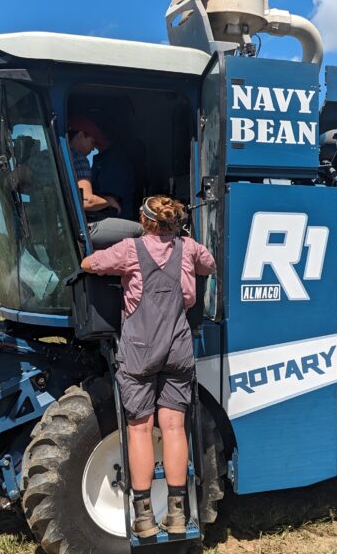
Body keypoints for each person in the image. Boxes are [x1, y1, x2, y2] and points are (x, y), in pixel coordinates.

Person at [81, 196, 216, 538]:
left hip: (140, 350)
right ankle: (176, 512)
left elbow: (89, 264)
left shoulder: (130, 249)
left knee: (140, 429)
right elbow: (210, 265)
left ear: (145, 220)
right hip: (177, 347)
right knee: (173, 427)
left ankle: (142, 518)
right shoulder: (188, 248)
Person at [67, 116, 123, 216]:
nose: (93, 149)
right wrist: (109, 201)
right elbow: (87, 201)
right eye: (93, 142)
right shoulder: (79, 159)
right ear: (80, 136)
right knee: (136, 229)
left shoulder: (47, 156)